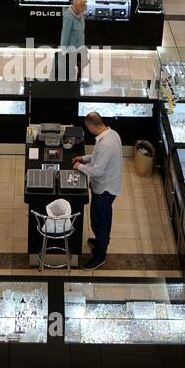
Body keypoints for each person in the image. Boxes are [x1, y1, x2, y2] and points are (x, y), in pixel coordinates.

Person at [74, 112, 122, 270]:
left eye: (88, 127)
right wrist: (84, 158)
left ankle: (100, 254)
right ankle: (102, 241)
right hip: (109, 186)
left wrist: (79, 167)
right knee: (104, 216)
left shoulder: (106, 144)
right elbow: (97, 157)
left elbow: (98, 171)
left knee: (99, 221)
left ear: (92, 126)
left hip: (104, 189)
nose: (89, 130)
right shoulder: (111, 134)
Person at [59, 0, 87, 81]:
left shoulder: (80, 16)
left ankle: (78, 82)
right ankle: (71, 85)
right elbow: (65, 33)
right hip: (71, 49)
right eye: (82, 6)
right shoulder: (69, 17)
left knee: (82, 64)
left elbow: (81, 32)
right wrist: (64, 50)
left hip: (80, 47)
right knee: (71, 68)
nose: (84, 8)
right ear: (77, 5)